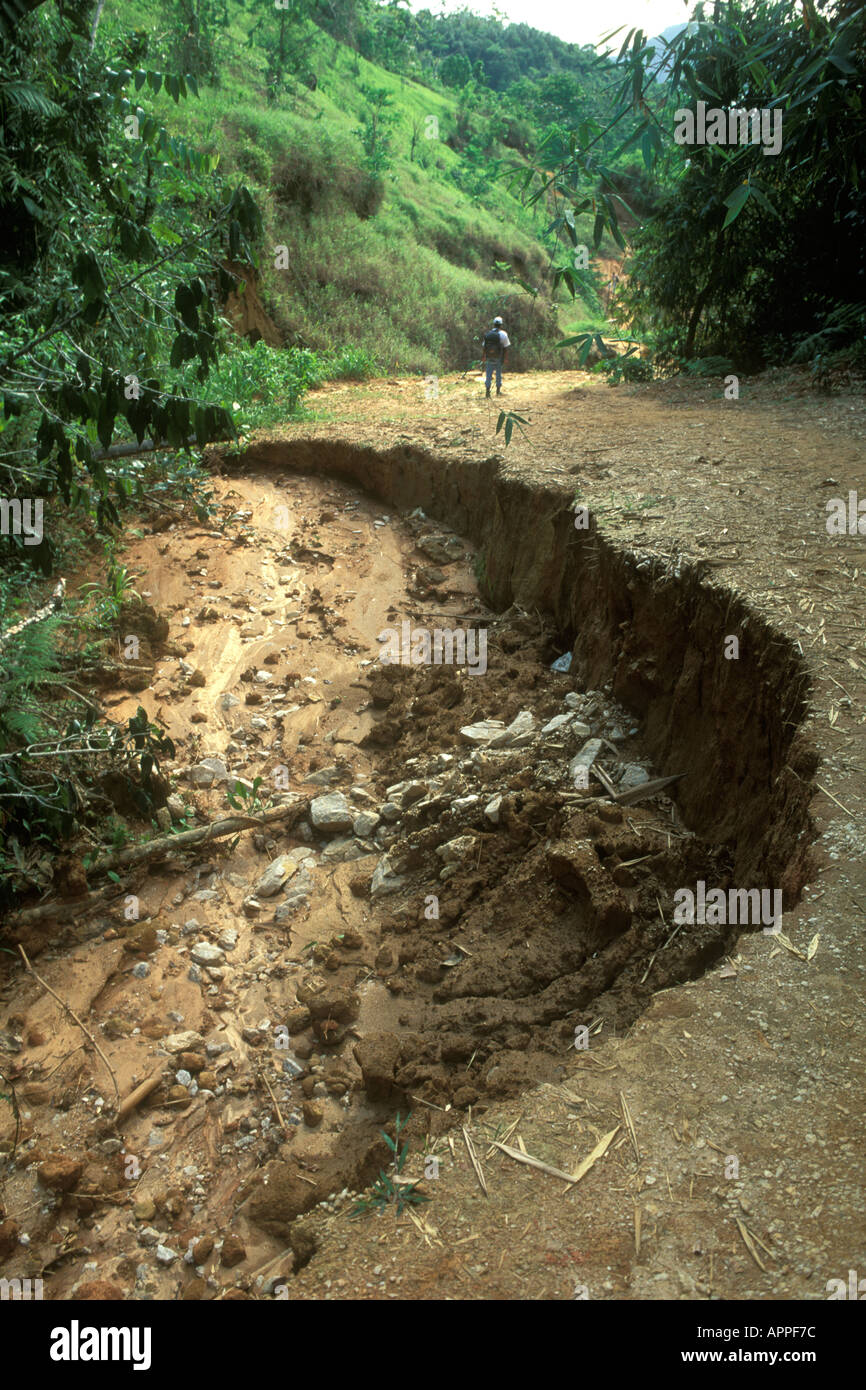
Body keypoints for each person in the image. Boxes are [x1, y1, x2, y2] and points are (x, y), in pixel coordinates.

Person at [481, 316, 510, 397]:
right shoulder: (503, 334)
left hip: (489, 356)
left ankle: (487, 392)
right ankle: (498, 391)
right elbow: (506, 348)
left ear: (493, 324)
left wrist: (483, 357)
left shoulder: (488, 334)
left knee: (489, 374)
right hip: (498, 357)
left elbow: (484, 346)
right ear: (501, 325)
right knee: (498, 374)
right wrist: (505, 358)